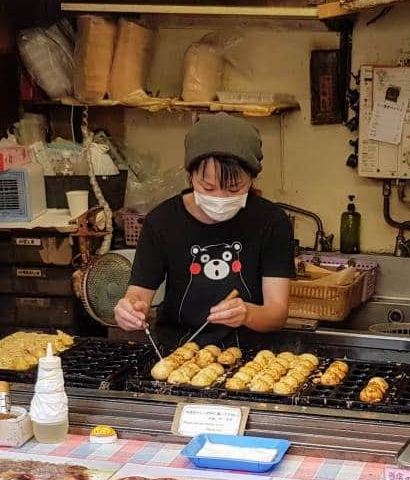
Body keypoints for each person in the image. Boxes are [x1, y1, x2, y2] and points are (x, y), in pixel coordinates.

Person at [114, 113, 294, 345]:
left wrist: (247, 314)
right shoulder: (162, 221)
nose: (219, 198)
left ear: (252, 178)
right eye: (207, 187)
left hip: (252, 362)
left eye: (233, 188)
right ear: (190, 175)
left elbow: (277, 313)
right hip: (177, 354)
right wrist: (130, 310)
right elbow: (139, 294)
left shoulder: (271, 222)